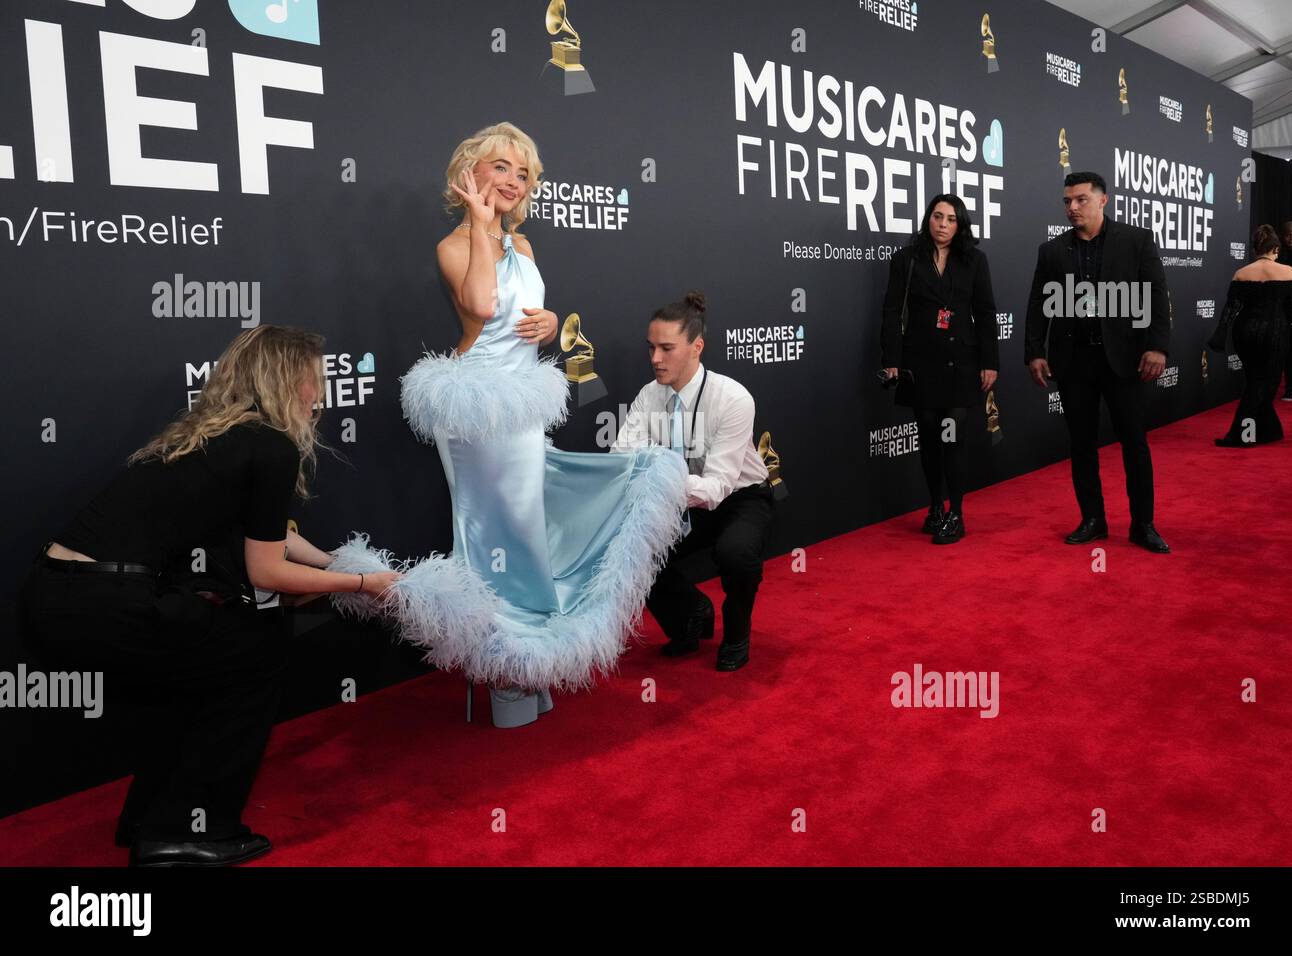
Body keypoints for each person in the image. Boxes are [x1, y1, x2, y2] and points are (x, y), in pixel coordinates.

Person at [331, 122, 688, 727]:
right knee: (493, 537)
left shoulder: (523, 248)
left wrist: (549, 323)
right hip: (477, 410)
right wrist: (478, 220)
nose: (513, 181)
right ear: (471, 172)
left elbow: (523, 313)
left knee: (526, 529)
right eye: (501, 167)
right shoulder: (453, 243)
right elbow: (478, 307)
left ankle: (530, 661)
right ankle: (504, 670)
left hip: (521, 406)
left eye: (522, 174)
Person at [18, 326, 403, 867]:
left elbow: (274, 534)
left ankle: (152, 825)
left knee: (204, 672)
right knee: (254, 658)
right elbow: (268, 571)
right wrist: (363, 585)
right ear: (290, 380)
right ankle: (181, 833)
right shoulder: (270, 445)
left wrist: (341, 563)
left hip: (57, 594)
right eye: (315, 378)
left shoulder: (210, 436)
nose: (320, 391)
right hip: (104, 603)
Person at [610, 292, 775, 671]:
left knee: (736, 553)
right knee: (634, 553)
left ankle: (736, 634)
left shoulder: (733, 398)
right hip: (679, 497)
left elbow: (717, 487)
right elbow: (622, 459)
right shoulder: (648, 396)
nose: (654, 359)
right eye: (650, 347)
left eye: (667, 348)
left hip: (741, 497)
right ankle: (691, 614)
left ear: (697, 347)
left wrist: (656, 477)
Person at [1024, 171, 1173, 553]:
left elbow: (1157, 296)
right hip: (1073, 362)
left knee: (1134, 443)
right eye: (1067, 201)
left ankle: (1143, 524)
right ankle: (1093, 519)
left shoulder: (1136, 240)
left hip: (1124, 360)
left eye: (1081, 200)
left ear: (1103, 200)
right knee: (1082, 445)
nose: (1072, 208)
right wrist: (1035, 352)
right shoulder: (1052, 250)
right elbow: (1039, 305)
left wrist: (1157, 347)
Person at [880, 193, 999, 544]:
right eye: (937, 216)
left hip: (961, 363)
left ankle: (956, 514)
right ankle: (935, 508)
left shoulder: (975, 260)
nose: (943, 224)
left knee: (953, 436)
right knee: (930, 439)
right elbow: (890, 312)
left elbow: (987, 313)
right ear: (927, 219)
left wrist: (990, 361)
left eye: (950, 218)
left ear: (960, 224)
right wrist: (891, 360)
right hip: (920, 363)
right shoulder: (907, 259)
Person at [1207, 224, 1292, 445]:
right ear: (1275, 248)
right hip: (1274, 333)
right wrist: (1284, 327)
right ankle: (1243, 434)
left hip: (1245, 333)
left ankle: (1268, 429)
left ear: (1256, 249)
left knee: (1255, 380)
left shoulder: (1241, 273)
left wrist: (1221, 333)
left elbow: (1230, 310)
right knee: (1267, 382)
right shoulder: (1288, 272)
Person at [1279, 221, 1292, 401]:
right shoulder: (1277, 256)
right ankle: (1290, 387)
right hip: (1282, 311)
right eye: (1288, 235)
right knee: (1289, 350)